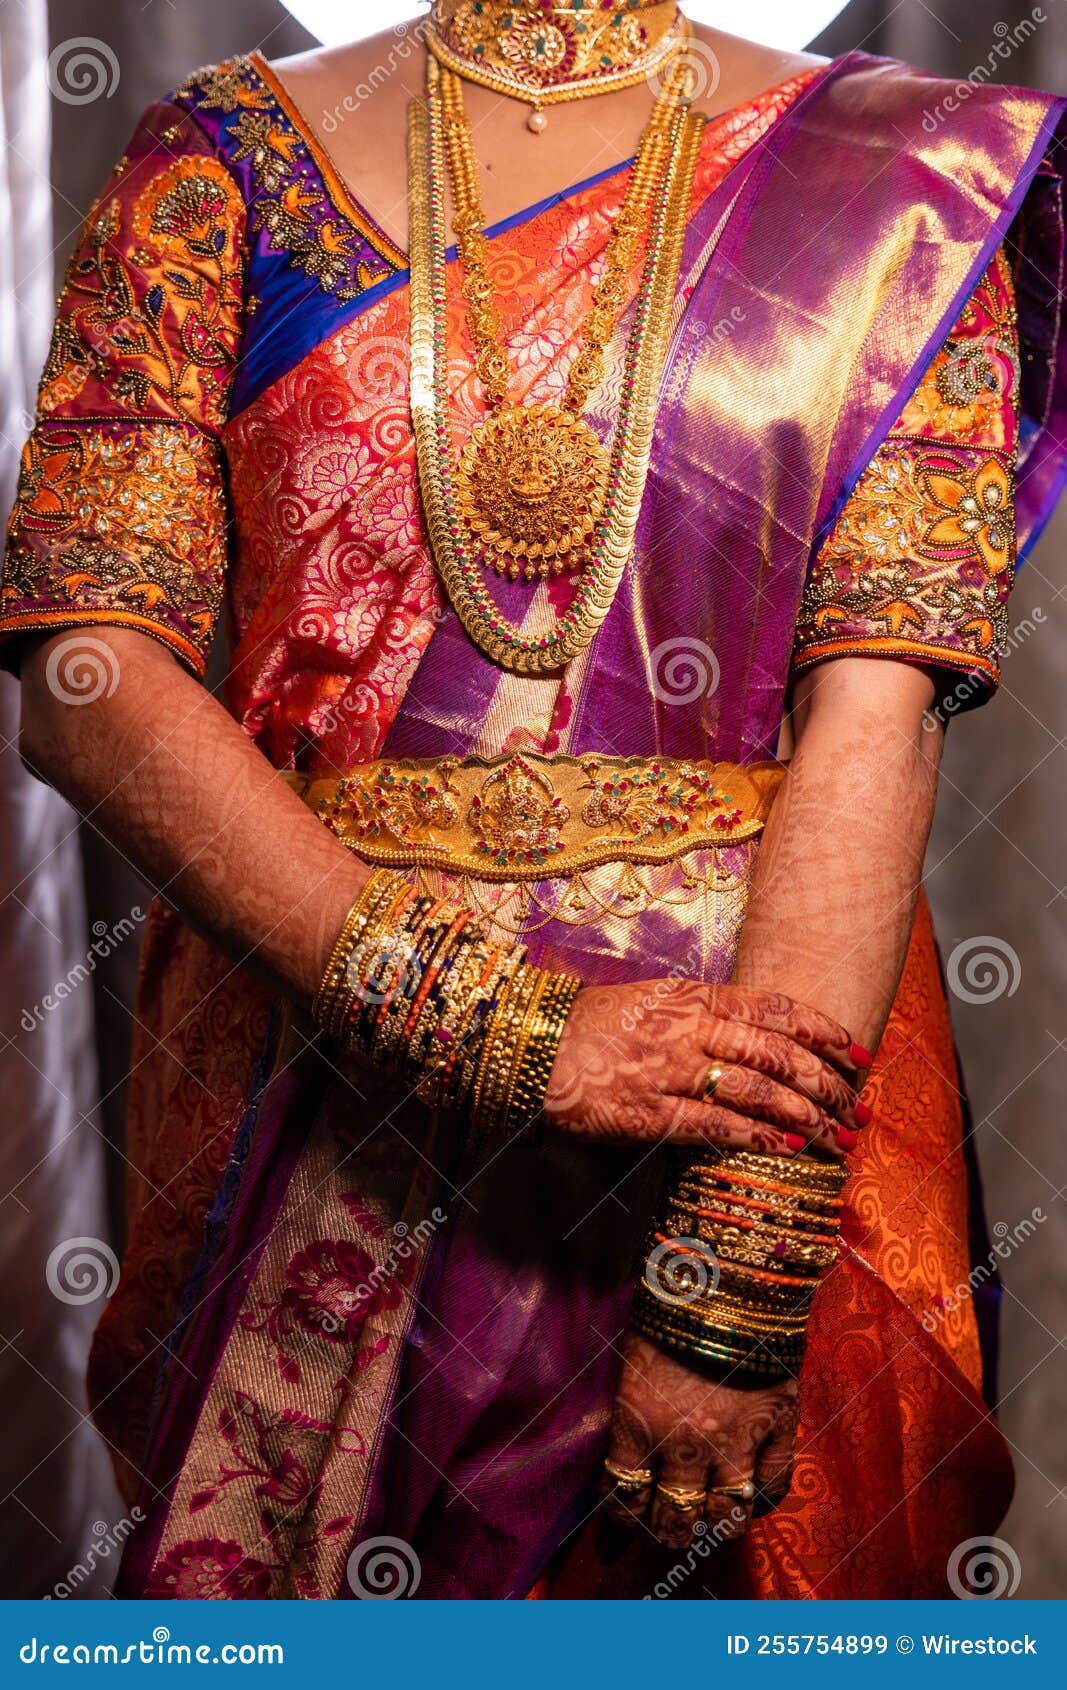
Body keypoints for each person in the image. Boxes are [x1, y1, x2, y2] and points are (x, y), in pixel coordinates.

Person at [2, 1, 1065, 1601]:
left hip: (757, 1079)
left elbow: (876, 714)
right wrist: (501, 1028)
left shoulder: (908, 178)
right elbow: (88, 674)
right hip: (328, 1094)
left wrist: (738, 1274)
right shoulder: (211, 170)